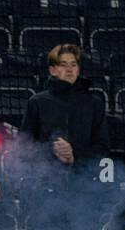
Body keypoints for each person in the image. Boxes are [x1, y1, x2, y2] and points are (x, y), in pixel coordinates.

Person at [19, 44, 110, 173]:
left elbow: (102, 148)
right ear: (53, 70)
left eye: (73, 65)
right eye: (63, 65)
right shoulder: (37, 102)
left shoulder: (94, 103)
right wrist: (54, 151)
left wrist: (74, 155)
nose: (69, 70)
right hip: (45, 177)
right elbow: (25, 146)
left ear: (78, 69)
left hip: (84, 178)